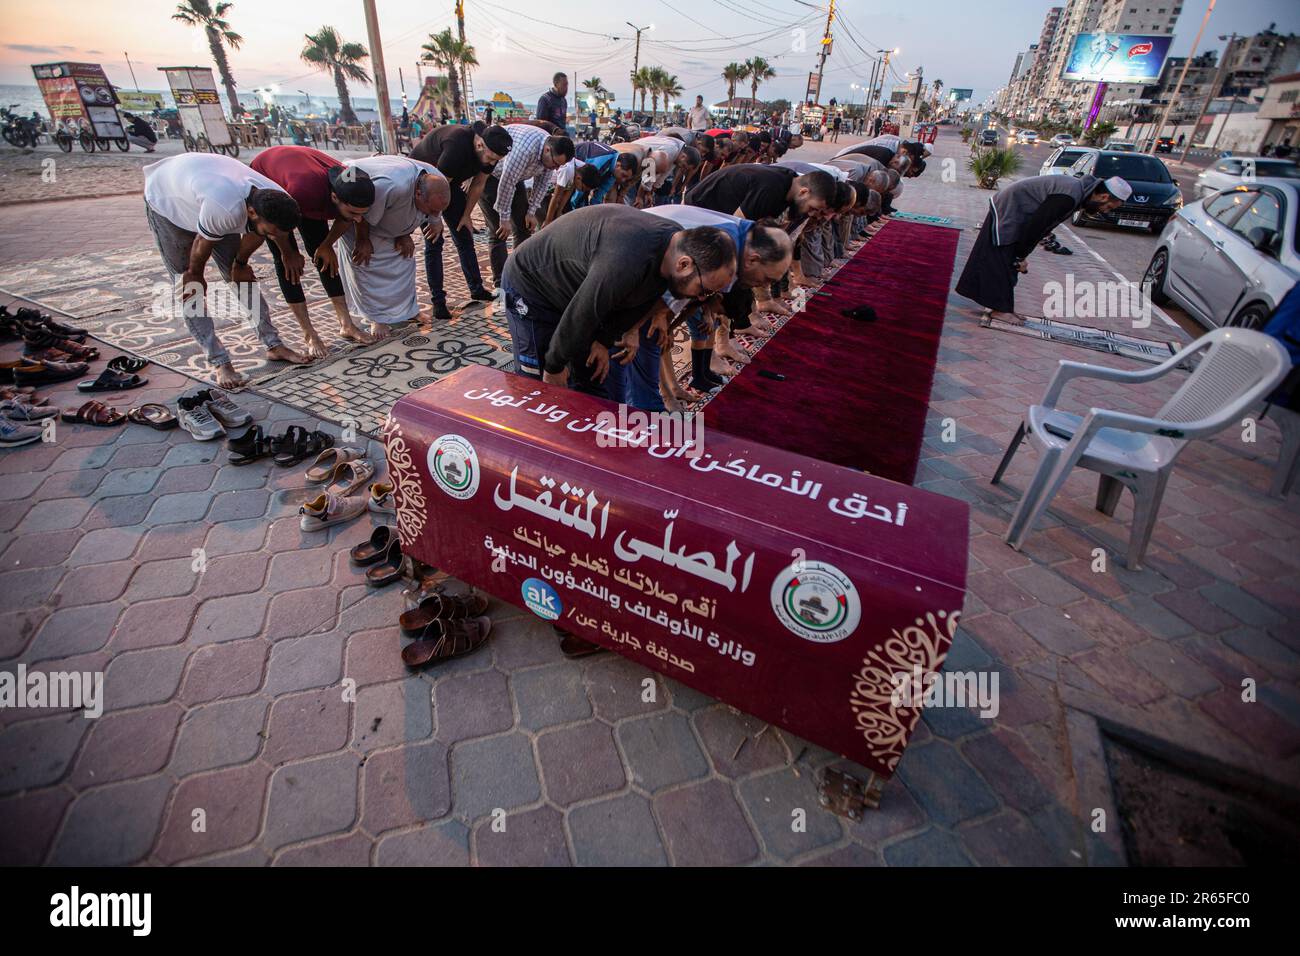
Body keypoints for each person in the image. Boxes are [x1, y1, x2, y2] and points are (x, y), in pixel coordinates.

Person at [499, 204, 735, 393]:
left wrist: (603, 340)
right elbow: (583, 312)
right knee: (538, 388)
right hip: (532, 287)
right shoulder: (626, 260)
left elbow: (644, 297)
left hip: (576, 291)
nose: (703, 299)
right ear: (684, 265)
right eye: (704, 290)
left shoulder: (674, 247)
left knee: (589, 376)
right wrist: (553, 367)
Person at [142, 153, 309, 389]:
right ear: (252, 213)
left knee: (243, 278)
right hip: (169, 204)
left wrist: (246, 262)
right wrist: (195, 274)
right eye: (270, 232)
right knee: (190, 289)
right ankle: (220, 362)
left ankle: (274, 345)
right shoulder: (225, 209)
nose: (274, 237)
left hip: (206, 196)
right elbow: (202, 245)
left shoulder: (277, 198)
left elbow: (269, 232)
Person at [643, 204, 792, 402]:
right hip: (644, 253)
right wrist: (665, 321)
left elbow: (697, 299)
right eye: (766, 279)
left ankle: (670, 389)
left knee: (660, 333)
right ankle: (656, 401)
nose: (763, 286)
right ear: (754, 260)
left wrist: (671, 325)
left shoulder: (742, 244)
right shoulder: (724, 251)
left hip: (667, 261)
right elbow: (679, 296)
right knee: (646, 338)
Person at [249, 145, 380, 355]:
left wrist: (327, 245)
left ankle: (346, 324)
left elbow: (346, 218)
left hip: (305, 176)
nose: (358, 219)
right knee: (288, 266)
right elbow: (277, 228)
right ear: (335, 198)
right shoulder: (303, 192)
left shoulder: (352, 182)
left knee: (324, 256)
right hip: (270, 181)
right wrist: (288, 252)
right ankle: (309, 334)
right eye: (353, 212)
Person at [956, 174, 1131, 326]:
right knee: (1003, 258)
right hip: (1009, 208)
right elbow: (1037, 227)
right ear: (1103, 196)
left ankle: (1003, 307)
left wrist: (1021, 255)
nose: (1103, 211)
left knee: (1007, 259)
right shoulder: (1070, 195)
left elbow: (1042, 226)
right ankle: (1000, 309)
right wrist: (1020, 255)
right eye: (1107, 207)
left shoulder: (1077, 192)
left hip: (1016, 209)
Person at [409, 122, 514, 319]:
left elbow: (478, 184)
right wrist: (434, 218)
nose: (491, 163)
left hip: (450, 184)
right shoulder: (456, 146)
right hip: (424, 186)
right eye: (491, 158)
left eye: (496, 160)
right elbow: (438, 188)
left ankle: (476, 288)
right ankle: (438, 302)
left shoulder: (492, 152)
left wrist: (467, 215)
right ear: (480, 144)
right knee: (434, 240)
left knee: (464, 235)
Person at [334, 155, 452, 328]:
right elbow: (362, 213)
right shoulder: (390, 185)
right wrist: (363, 239)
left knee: (405, 261)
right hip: (359, 206)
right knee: (368, 264)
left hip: (389, 216)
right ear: (418, 194)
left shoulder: (436, 181)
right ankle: (377, 318)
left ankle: (407, 311)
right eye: (431, 210)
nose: (433, 213)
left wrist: (411, 230)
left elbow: (427, 208)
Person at [482, 124, 574, 289]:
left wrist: (531, 212)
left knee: (523, 227)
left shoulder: (549, 156)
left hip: (515, 178)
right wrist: (504, 217)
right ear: (547, 150)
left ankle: (517, 274)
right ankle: (501, 283)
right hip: (490, 176)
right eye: (556, 163)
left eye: (560, 165)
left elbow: (542, 183)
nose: (557, 168)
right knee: (498, 231)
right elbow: (506, 181)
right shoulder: (525, 150)